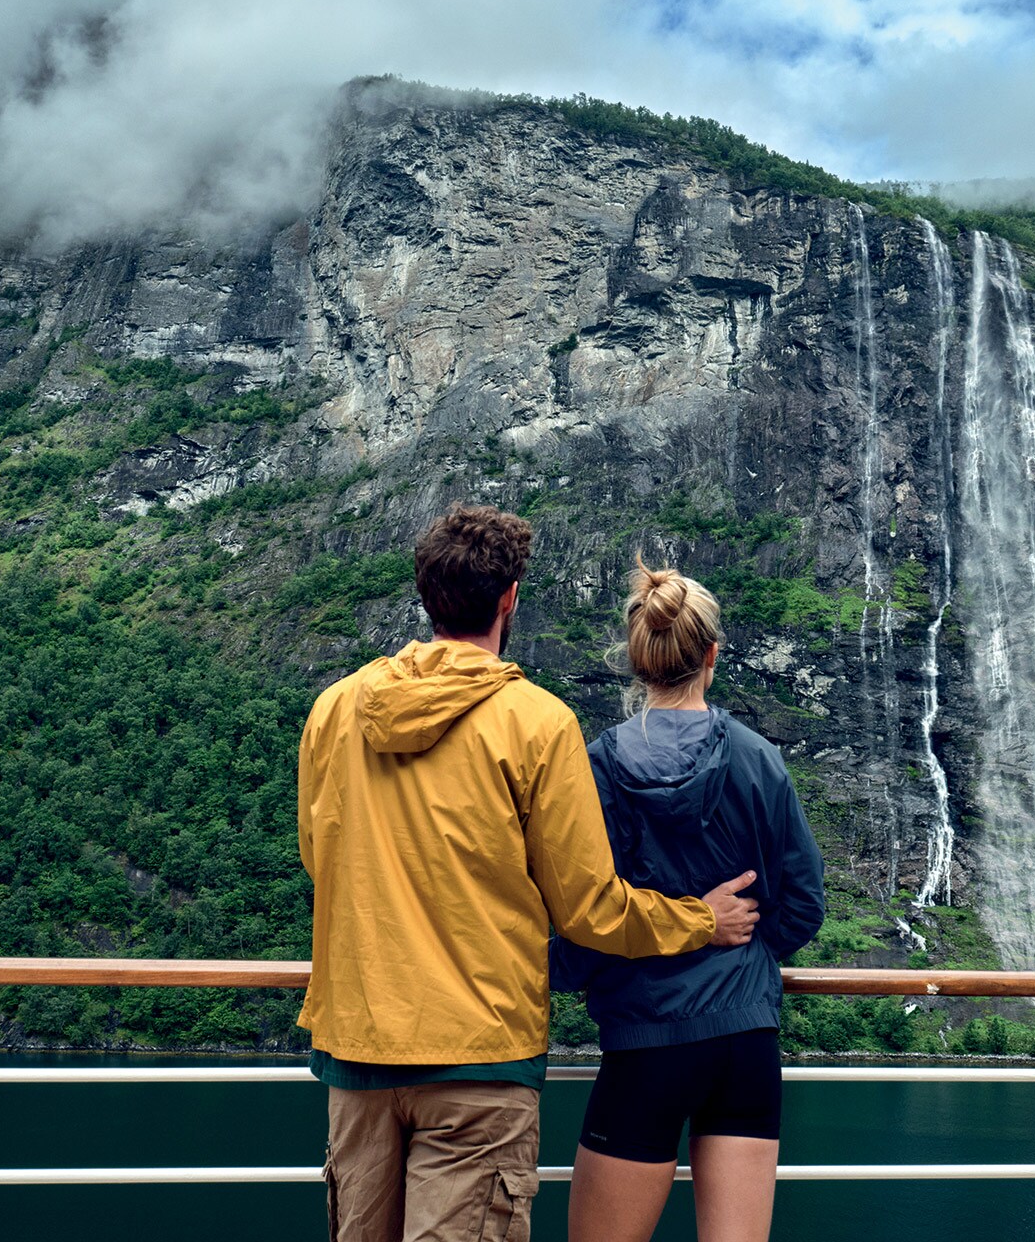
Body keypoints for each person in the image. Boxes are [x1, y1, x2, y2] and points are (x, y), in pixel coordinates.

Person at [298, 505, 762, 1242]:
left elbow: (319, 856)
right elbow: (588, 909)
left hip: (357, 1051)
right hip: (481, 1059)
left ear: (425, 594)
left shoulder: (335, 710)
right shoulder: (537, 722)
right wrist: (701, 920)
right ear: (510, 598)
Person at [553, 557, 826, 1242]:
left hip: (646, 1039)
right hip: (744, 1041)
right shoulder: (758, 758)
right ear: (711, 654)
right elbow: (803, 903)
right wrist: (738, 950)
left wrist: (571, 971)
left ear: (637, 662)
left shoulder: (598, 766)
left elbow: (584, 917)